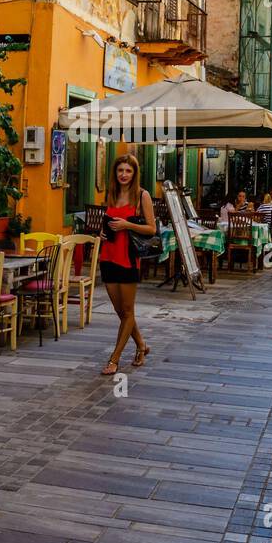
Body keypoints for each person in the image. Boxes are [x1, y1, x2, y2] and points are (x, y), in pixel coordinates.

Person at [98, 153, 156, 376]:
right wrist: (103, 233)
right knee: (120, 311)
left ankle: (114, 359)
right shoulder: (111, 194)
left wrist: (126, 226)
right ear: (115, 172)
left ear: (135, 173)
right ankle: (141, 345)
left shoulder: (142, 196)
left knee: (128, 310)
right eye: (120, 170)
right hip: (108, 256)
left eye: (128, 171)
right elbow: (108, 223)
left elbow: (151, 229)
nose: (124, 174)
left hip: (128, 259)